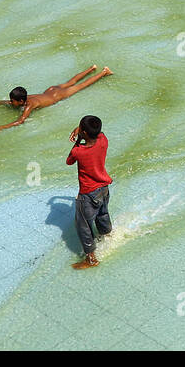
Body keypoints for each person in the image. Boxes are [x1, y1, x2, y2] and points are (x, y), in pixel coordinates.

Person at [0, 65, 113, 133]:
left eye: (12, 101)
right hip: (51, 91)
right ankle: (91, 68)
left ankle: (104, 72)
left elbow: (20, 121)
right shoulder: (24, 99)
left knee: (80, 85)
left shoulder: (30, 105)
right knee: (71, 82)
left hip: (57, 95)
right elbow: (2, 102)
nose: (10, 102)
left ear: (21, 101)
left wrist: (0, 127)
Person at [68, 115, 113, 269]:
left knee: (83, 225)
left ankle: (91, 259)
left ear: (84, 133)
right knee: (102, 213)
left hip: (88, 194)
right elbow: (99, 134)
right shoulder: (103, 141)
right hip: (104, 188)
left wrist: (78, 140)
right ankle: (107, 234)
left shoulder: (78, 151)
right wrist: (81, 131)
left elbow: (69, 161)